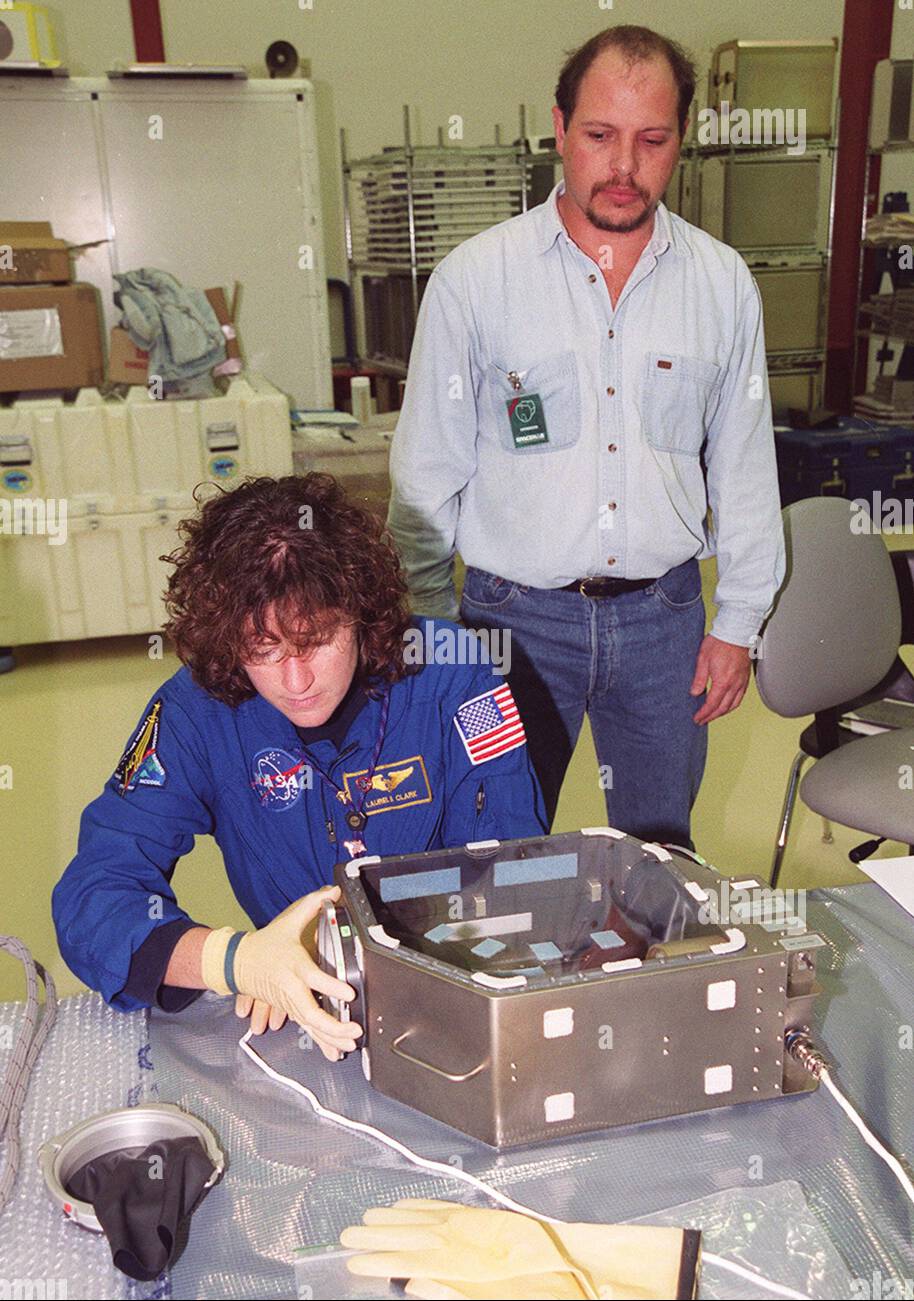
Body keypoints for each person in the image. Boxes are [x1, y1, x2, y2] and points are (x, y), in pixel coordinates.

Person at [387, 23, 785, 847]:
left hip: (665, 621)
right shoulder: (476, 281)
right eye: (600, 136)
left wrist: (736, 623)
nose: (624, 167)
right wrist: (432, 628)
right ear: (560, 129)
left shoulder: (722, 286)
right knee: (486, 848)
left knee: (658, 854)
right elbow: (425, 474)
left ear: (682, 142)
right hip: (511, 623)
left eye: (652, 140)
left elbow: (746, 467)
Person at [53, 474, 546, 1052]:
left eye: (315, 640)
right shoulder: (195, 711)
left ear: (361, 611)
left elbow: (514, 865)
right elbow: (95, 893)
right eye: (262, 650)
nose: (296, 681)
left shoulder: (455, 672)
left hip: (450, 996)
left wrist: (353, 953)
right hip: (295, 1022)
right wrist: (235, 960)